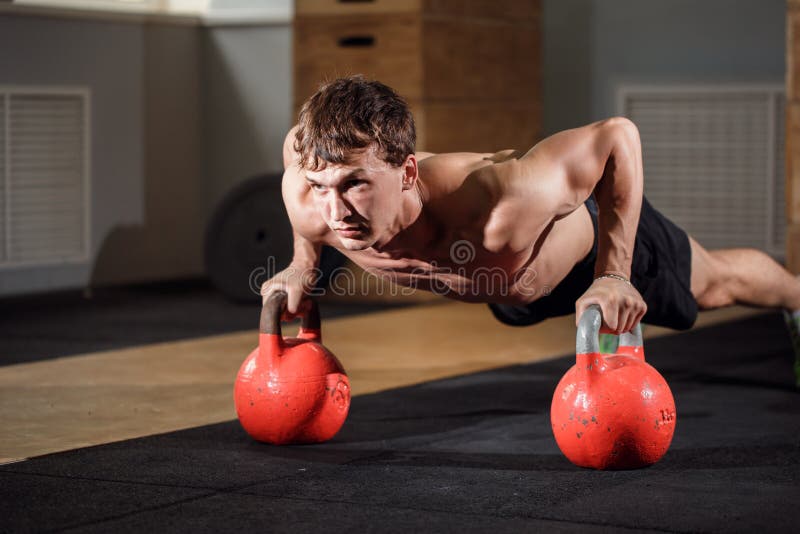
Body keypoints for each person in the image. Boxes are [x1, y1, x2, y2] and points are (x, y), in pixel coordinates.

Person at [260, 75, 800, 385]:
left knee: (714, 286)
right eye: (321, 186)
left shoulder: (505, 197)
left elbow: (618, 135)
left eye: (356, 185)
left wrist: (614, 273)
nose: (335, 211)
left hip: (582, 249)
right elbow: (295, 151)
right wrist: (304, 264)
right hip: (506, 286)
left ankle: (797, 298)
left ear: (406, 173)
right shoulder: (308, 190)